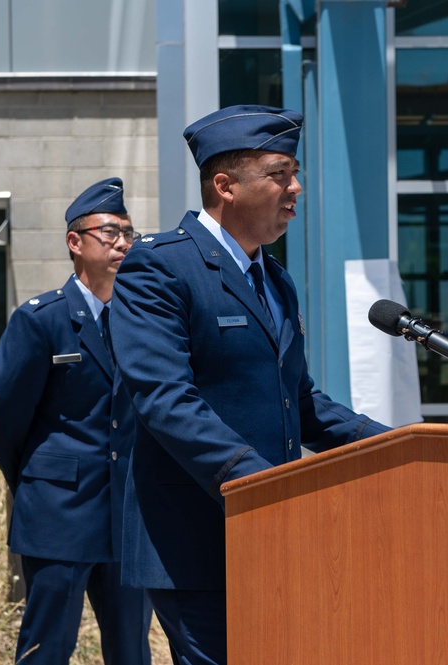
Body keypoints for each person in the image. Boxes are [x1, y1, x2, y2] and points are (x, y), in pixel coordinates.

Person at [110, 105, 391, 665]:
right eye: (280, 172)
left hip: (272, 530)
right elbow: (165, 399)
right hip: (195, 537)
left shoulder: (275, 278)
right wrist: (257, 482)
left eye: (294, 172)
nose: (296, 187)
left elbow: (300, 400)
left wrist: (396, 444)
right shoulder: (160, 267)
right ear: (225, 185)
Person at [0, 177, 153, 665]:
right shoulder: (41, 320)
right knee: (47, 647)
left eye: (129, 232)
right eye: (110, 232)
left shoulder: (141, 317)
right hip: (58, 513)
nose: (123, 242)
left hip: (126, 514)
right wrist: (40, 482)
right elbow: (4, 422)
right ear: (75, 243)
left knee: (131, 649)